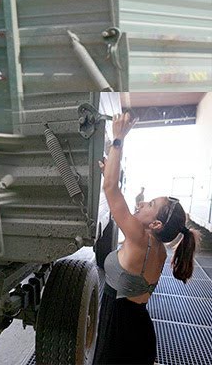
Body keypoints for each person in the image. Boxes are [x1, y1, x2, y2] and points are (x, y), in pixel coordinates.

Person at [95, 110, 202, 364]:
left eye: (150, 204)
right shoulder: (159, 249)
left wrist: (118, 138)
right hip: (140, 332)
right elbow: (113, 189)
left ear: (155, 223)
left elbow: (111, 189)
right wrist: (110, 168)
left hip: (117, 333)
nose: (142, 203)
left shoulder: (138, 238)